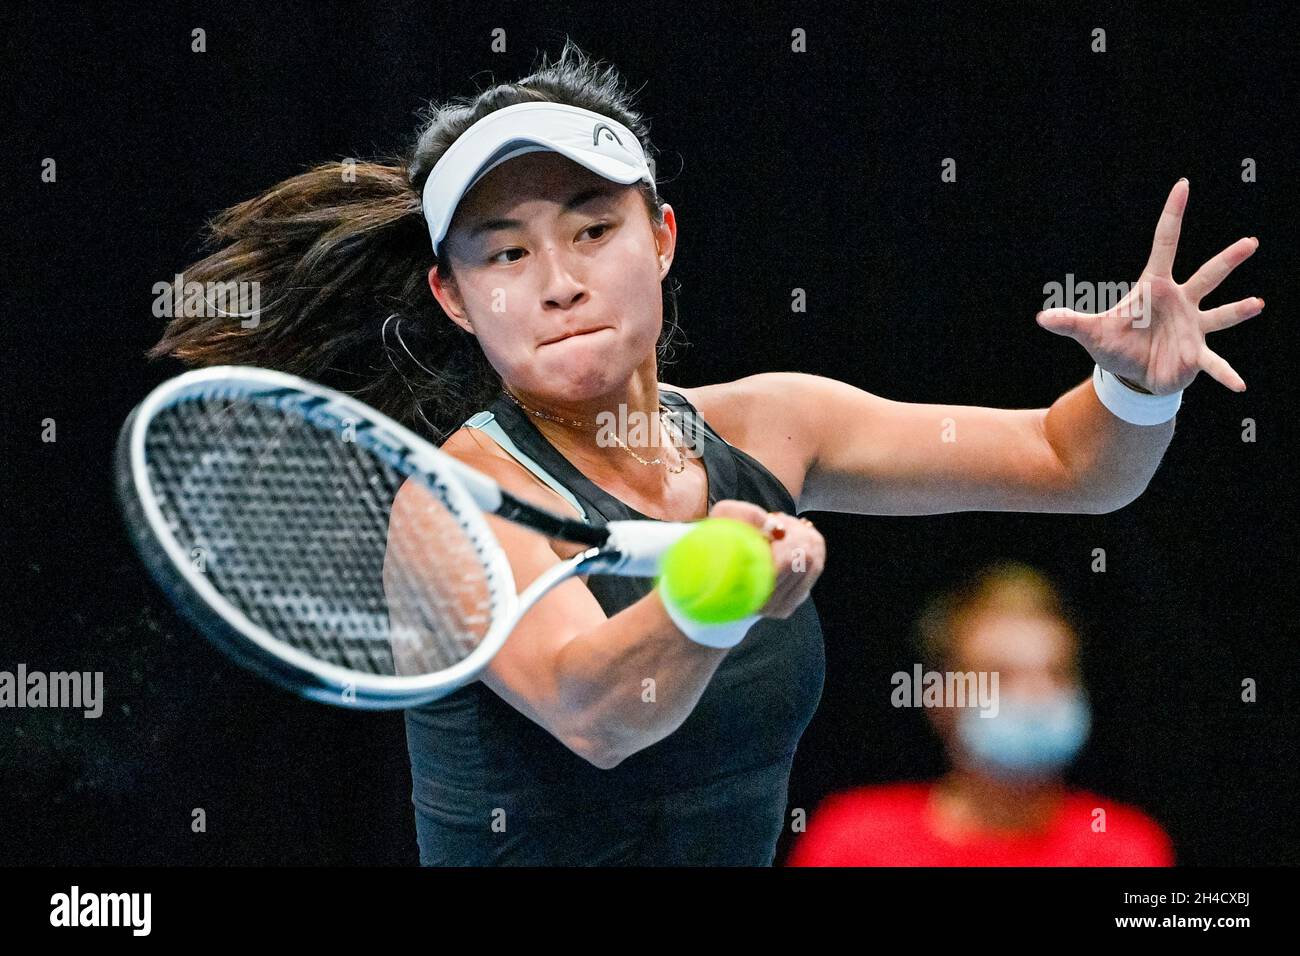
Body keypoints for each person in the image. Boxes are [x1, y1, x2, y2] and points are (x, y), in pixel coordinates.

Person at [148, 41, 1261, 865]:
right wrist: (712, 588)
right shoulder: (460, 492)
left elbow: (1073, 464)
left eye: (593, 228)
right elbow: (596, 713)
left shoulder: (773, 424)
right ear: (453, 296)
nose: (558, 280)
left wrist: (1131, 386)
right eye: (504, 253)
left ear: (662, 236)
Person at [788, 562, 1175, 866]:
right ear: (939, 698)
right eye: (1002, 677)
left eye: (1056, 673)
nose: (1036, 695)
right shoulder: (853, 838)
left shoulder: (1126, 848)